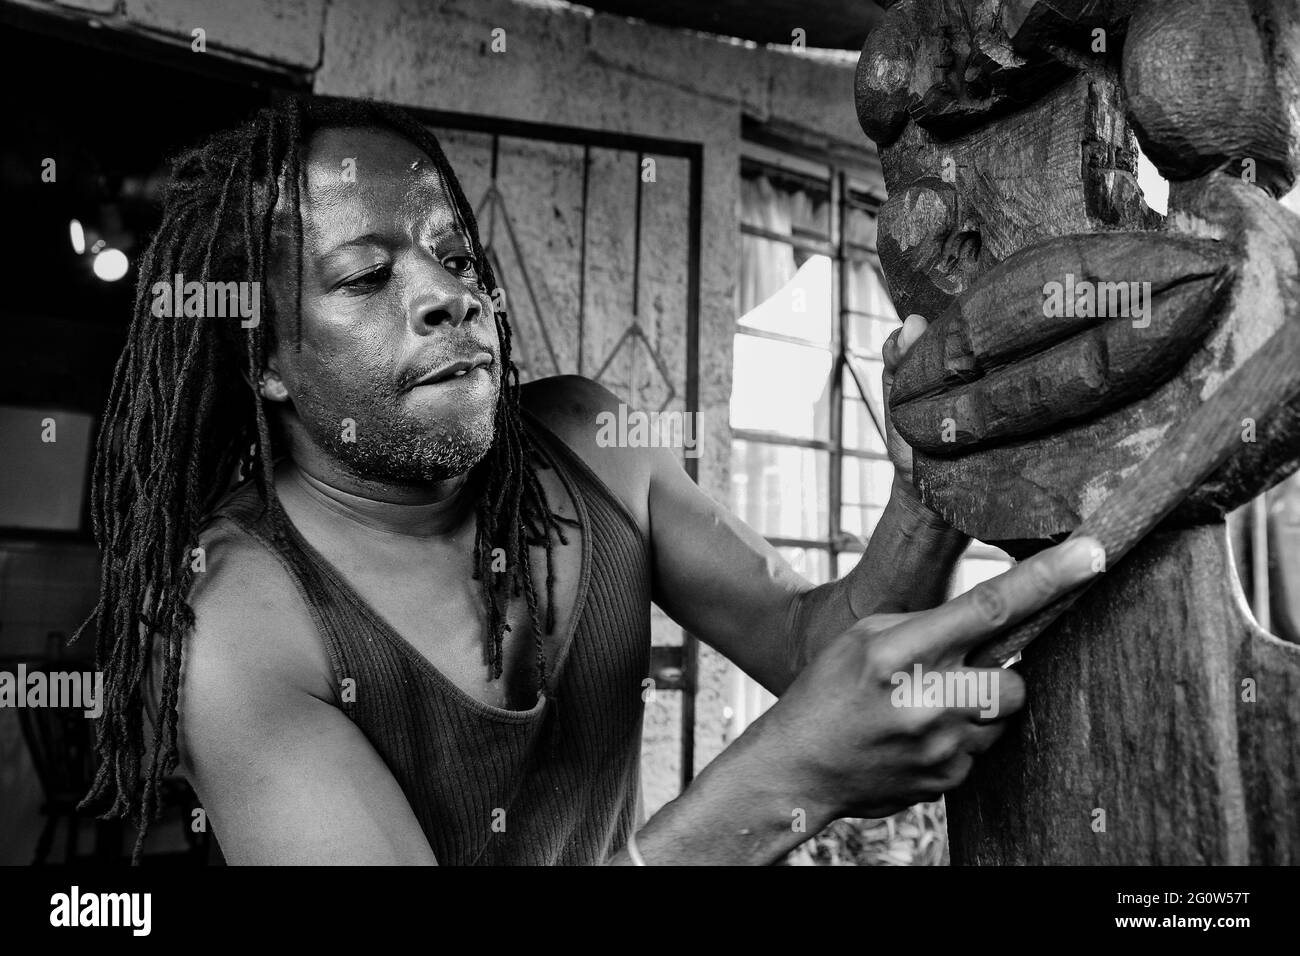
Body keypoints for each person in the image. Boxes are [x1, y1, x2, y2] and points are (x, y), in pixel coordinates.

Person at [78, 96, 1099, 865]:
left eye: (453, 253)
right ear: (265, 356)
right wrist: (786, 771)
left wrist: (932, 481)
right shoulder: (239, 623)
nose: (448, 296)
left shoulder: (592, 437)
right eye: (365, 276)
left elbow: (806, 642)